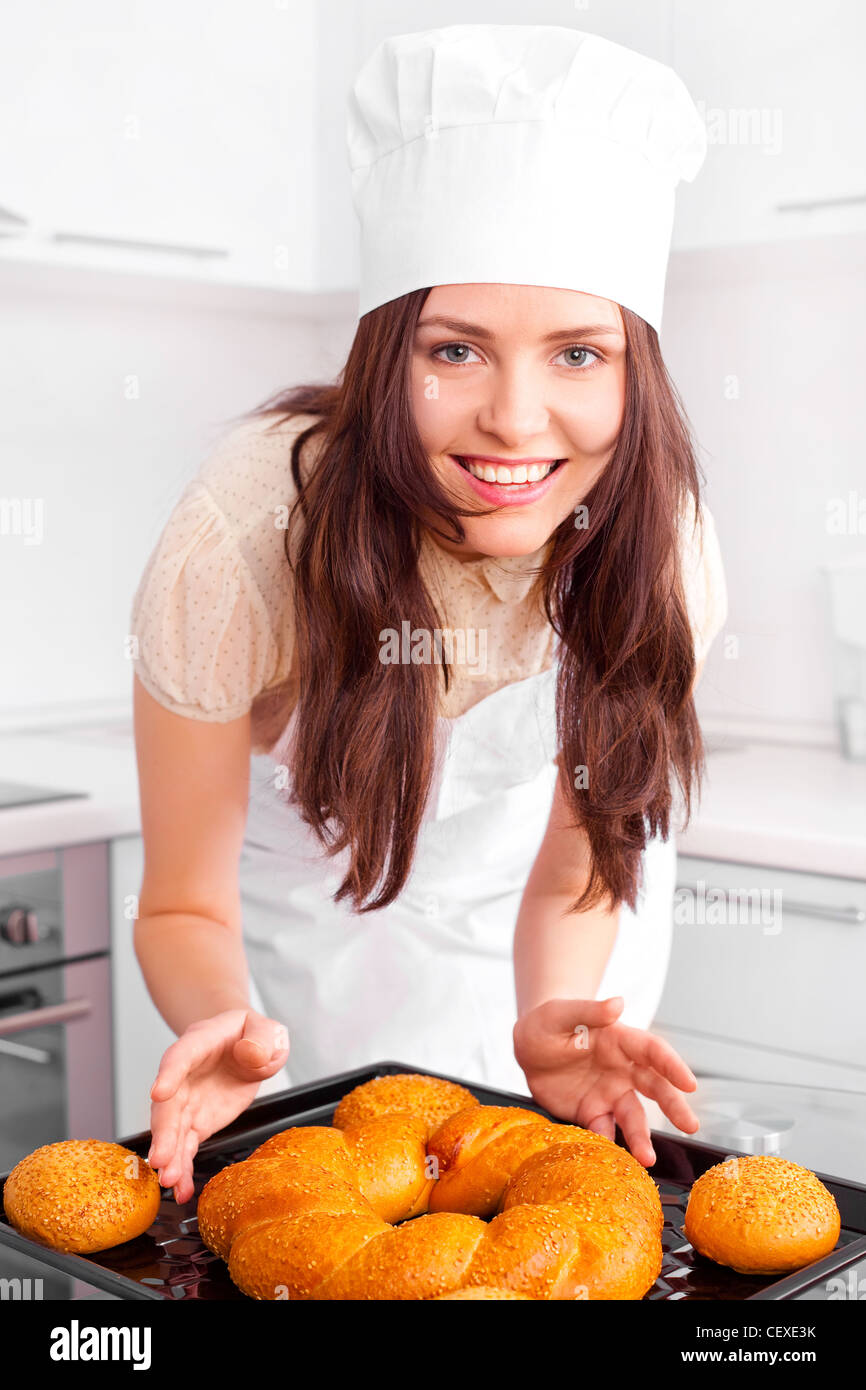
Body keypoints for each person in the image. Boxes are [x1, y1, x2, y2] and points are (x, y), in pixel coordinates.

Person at [129, 24, 727, 1204]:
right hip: (319, 921)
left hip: (555, 922)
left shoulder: (663, 547)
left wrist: (552, 1009)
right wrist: (223, 1022)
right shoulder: (247, 539)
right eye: (454, 349)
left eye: (575, 353)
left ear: (632, 371)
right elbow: (181, 900)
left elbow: (575, 868)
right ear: (381, 358)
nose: (514, 420)